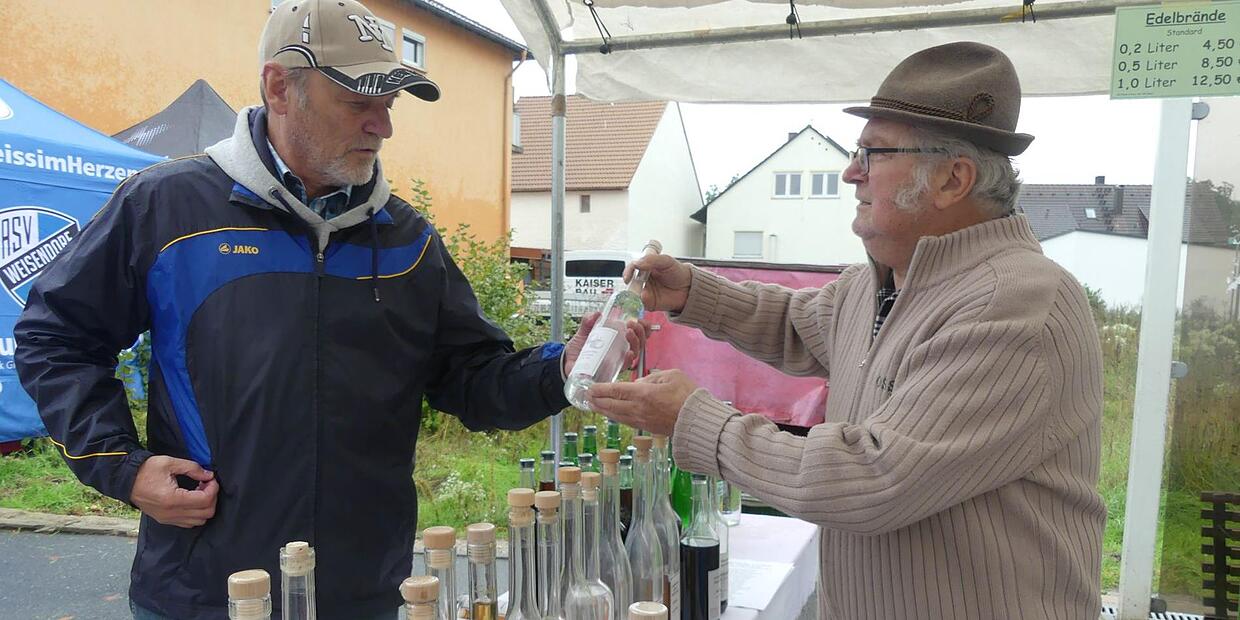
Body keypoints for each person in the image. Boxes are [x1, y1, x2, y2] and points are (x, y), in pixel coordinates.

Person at [14, 1, 644, 618]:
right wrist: (125, 468)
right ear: (280, 88)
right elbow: (55, 337)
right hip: (206, 590)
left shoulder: (407, 240)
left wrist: (566, 368)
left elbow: (473, 379)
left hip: (363, 593)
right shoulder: (168, 208)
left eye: (389, 105)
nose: (383, 126)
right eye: (358, 102)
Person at [590, 42, 1105, 619]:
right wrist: (691, 290)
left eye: (873, 153)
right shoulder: (886, 279)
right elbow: (798, 324)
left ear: (952, 179)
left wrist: (695, 421)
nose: (850, 171)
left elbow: (871, 477)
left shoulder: (1016, 304)